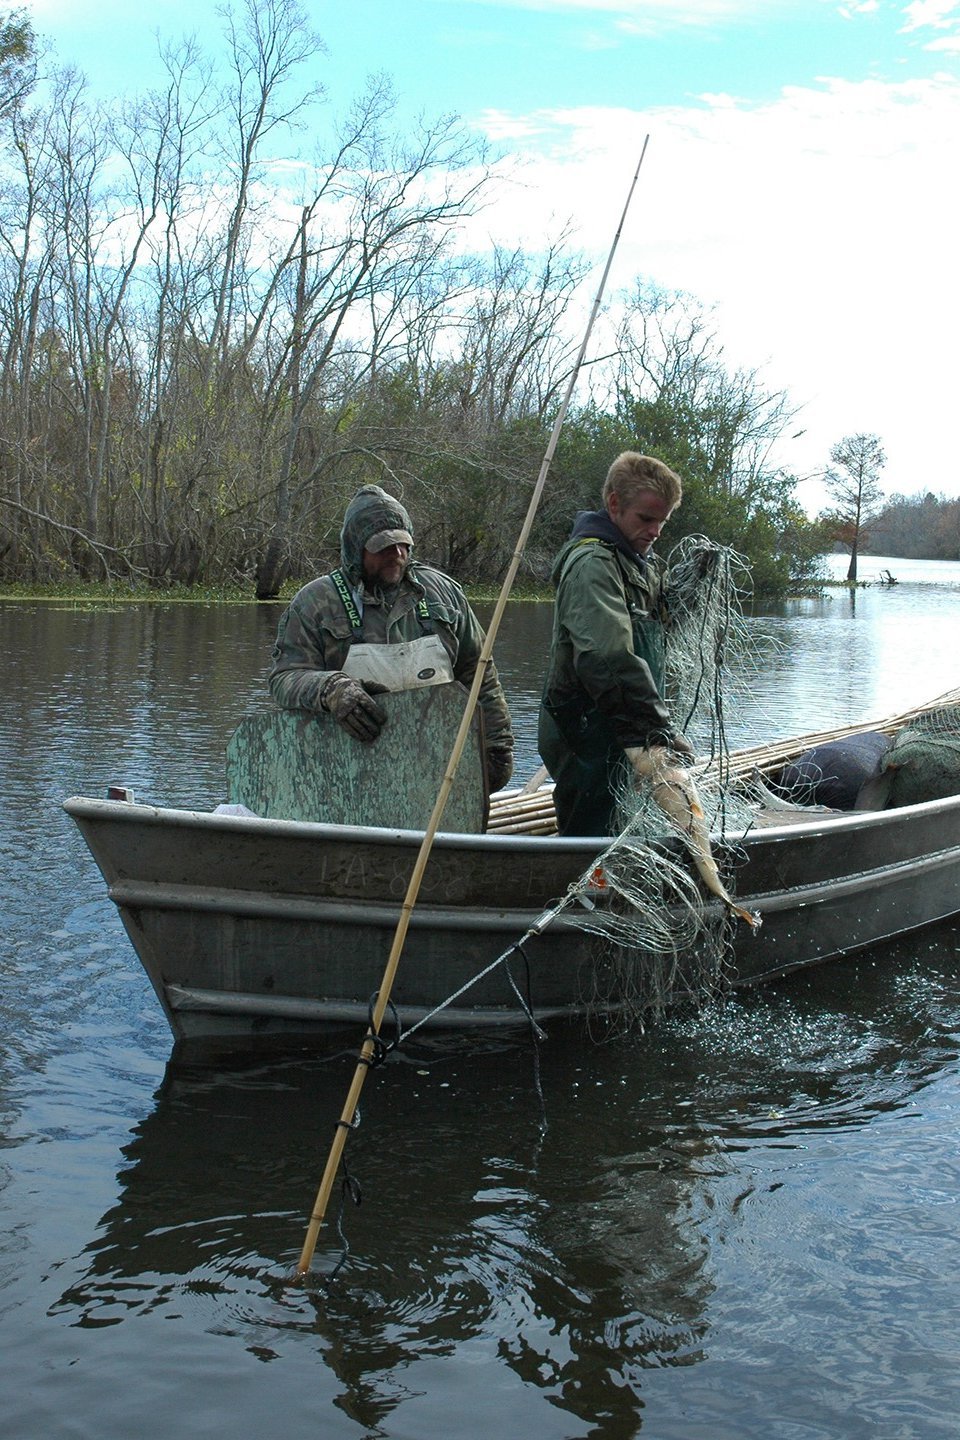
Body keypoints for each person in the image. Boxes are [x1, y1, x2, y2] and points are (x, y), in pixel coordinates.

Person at [269, 483, 514, 795]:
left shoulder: (445, 593)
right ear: (356, 549)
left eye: (402, 544)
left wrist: (496, 743)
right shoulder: (315, 603)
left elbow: (480, 674)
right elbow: (284, 678)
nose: (397, 555)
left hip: (437, 770)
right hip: (346, 774)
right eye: (383, 547)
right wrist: (331, 688)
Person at [537, 451, 694, 836]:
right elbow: (606, 657)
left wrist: (692, 589)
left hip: (621, 722)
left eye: (662, 521)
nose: (655, 530)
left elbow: (660, 626)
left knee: (622, 827)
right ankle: (583, 892)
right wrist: (653, 730)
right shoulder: (593, 564)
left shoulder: (642, 563)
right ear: (613, 504)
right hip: (586, 727)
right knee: (591, 832)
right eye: (646, 518)